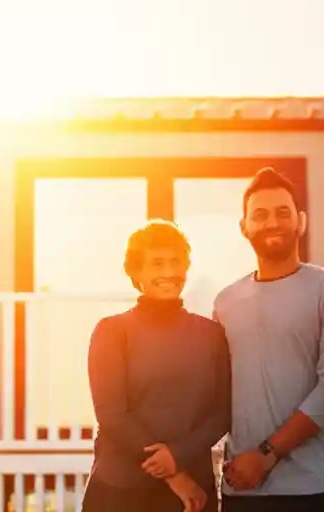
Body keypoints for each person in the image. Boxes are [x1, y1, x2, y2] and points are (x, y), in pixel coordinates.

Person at [215, 167, 324, 512]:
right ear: (244, 227)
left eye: (283, 212)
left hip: (318, 489)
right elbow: (217, 392)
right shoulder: (226, 301)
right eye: (260, 214)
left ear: (301, 221)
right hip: (243, 492)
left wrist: (266, 454)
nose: (272, 222)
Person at [83, 219, 231, 512]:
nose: (168, 272)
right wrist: (173, 474)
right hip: (121, 492)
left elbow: (223, 412)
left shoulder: (212, 334)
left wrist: (178, 456)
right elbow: (112, 414)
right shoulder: (112, 331)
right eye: (156, 263)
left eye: (176, 262)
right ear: (136, 272)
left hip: (193, 496)